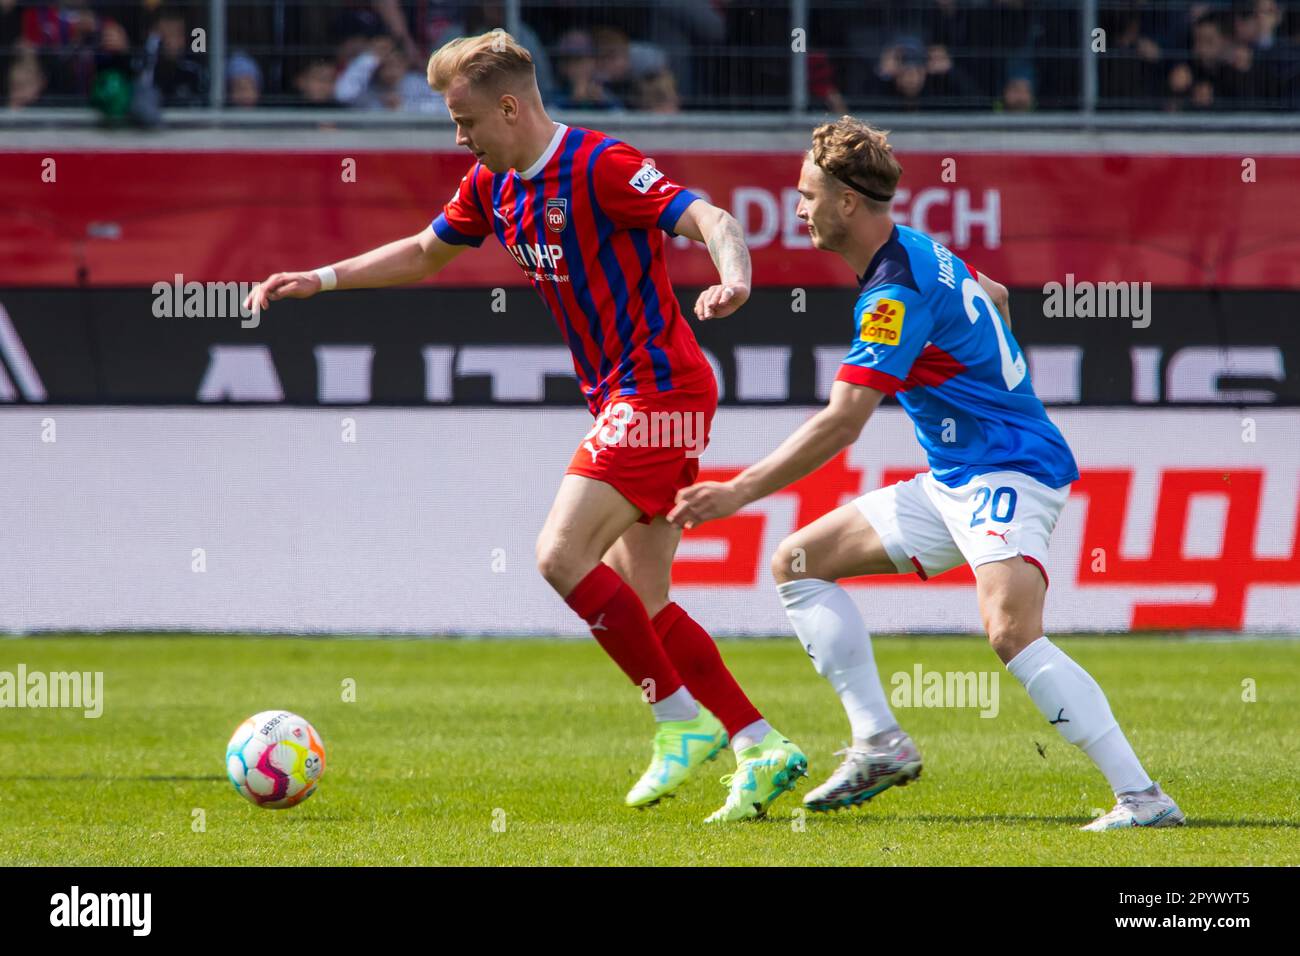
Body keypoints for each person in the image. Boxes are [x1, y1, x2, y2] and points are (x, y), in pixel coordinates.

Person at [245, 30, 807, 823]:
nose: (458, 135)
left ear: (510, 107)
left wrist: (735, 278)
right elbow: (422, 252)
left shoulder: (600, 165)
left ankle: (679, 723)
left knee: (558, 554)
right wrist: (322, 279)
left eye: (465, 118)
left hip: (660, 392)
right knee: (645, 604)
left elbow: (710, 217)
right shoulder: (489, 185)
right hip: (627, 396)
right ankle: (760, 744)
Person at [668, 116, 1186, 832]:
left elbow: (842, 423)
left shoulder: (892, 294)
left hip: (1009, 468)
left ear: (850, 202)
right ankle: (879, 742)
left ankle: (1144, 799)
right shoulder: (922, 251)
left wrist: (735, 491)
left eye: (808, 195)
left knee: (1011, 632)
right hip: (953, 479)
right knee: (797, 561)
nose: (798, 209)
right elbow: (996, 295)